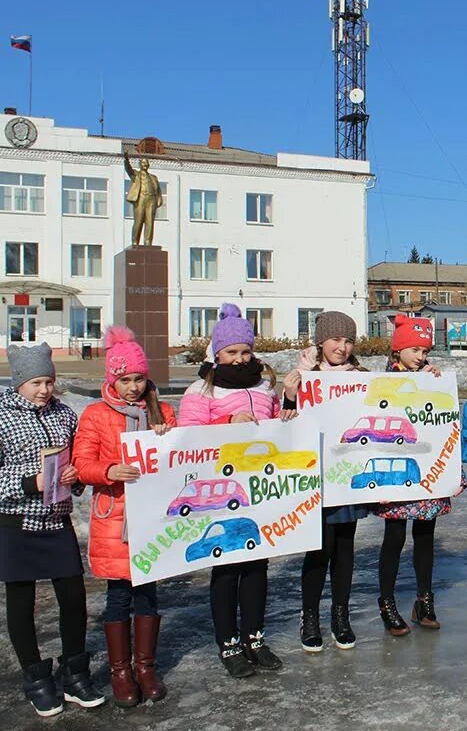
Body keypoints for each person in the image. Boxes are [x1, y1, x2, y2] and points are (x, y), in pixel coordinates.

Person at [178, 303, 282, 678]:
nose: (239, 359)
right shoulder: (201, 388)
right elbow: (187, 439)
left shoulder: (264, 384)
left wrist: (285, 417)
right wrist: (227, 420)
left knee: (257, 566)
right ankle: (229, 643)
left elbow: (273, 433)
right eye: (232, 352)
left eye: (245, 351)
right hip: (218, 492)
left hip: (259, 489)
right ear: (217, 352)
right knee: (225, 572)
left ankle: (255, 637)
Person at [0, 343, 105, 716]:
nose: (45, 389)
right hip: (16, 522)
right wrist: (31, 482)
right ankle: (36, 677)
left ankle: (75, 673)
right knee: (21, 602)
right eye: (37, 383)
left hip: (57, 519)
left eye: (49, 381)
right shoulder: (2, 414)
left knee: (74, 598)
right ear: (19, 383)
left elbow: (77, 458)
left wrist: (75, 477)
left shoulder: (63, 414)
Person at [73, 327, 175, 707]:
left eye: (139, 378)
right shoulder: (96, 415)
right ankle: (120, 671)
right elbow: (81, 463)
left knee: (148, 593)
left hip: (151, 518)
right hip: (114, 518)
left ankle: (146, 666)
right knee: (118, 597)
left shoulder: (161, 411)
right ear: (111, 379)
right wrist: (109, 471)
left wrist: (167, 438)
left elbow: (180, 462)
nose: (133, 387)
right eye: (125, 379)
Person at [282, 311, 371, 651]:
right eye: (336, 339)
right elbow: (285, 424)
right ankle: (310, 617)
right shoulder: (304, 375)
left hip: (348, 477)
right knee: (319, 549)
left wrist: (427, 375)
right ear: (321, 341)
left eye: (348, 341)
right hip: (316, 478)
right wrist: (289, 398)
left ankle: (340, 614)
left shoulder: (361, 376)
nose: (342, 347)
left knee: (345, 548)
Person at [374, 313, 467, 635]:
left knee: (425, 536)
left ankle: (424, 600)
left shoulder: (429, 377)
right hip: (397, 474)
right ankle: (386, 602)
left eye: (424, 351)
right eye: (414, 350)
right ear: (397, 351)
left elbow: (442, 420)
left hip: (425, 472)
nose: (420, 356)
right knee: (395, 537)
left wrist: (435, 384)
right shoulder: (382, 381)